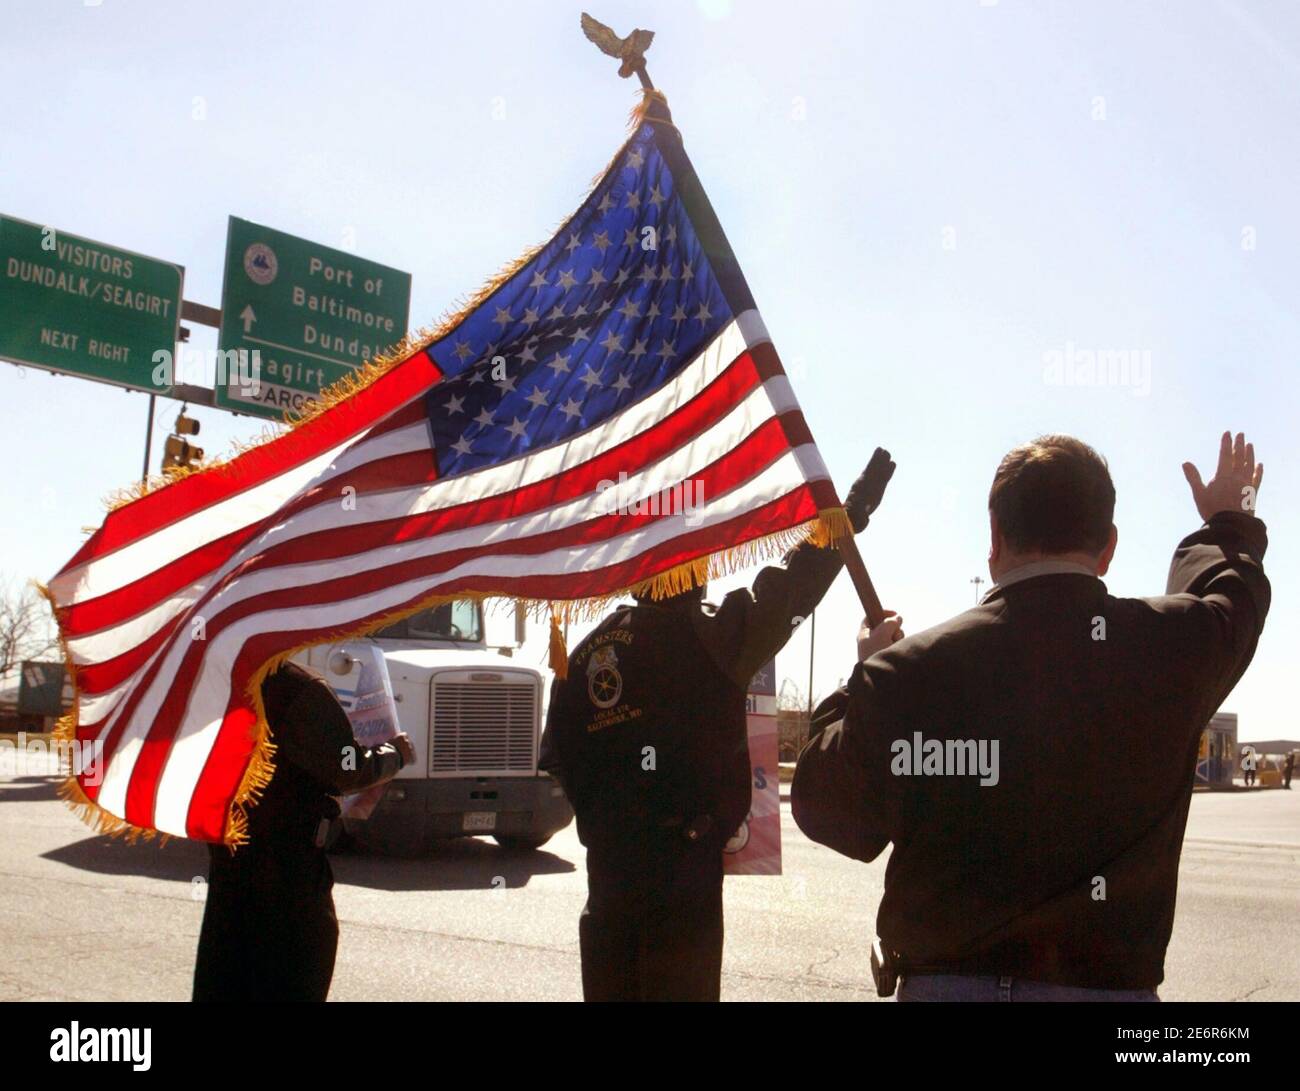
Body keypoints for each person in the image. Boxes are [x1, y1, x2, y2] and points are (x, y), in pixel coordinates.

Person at [793, 432, 1269, 1002]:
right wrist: (1228, 520)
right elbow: (1229, 593)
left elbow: (832, 811)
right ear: (1109, 545)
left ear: (994, 536)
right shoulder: (1175, 647)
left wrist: (860, 677)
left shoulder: (906, 673)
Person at [540, 448, 897, 1002]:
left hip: (606, 892)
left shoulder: (581, 655)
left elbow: (559, 766)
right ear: (693, 566)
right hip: (681, 886)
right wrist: (855, 507)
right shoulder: (708, 638)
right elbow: (793, 585)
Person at [193, 659, 415, 1001]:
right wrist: (394, 754)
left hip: (230, 861)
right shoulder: (300, 689)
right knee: (295, 975)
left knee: (227, 978)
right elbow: (348, 766)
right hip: (289, 873)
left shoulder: (216, 683)